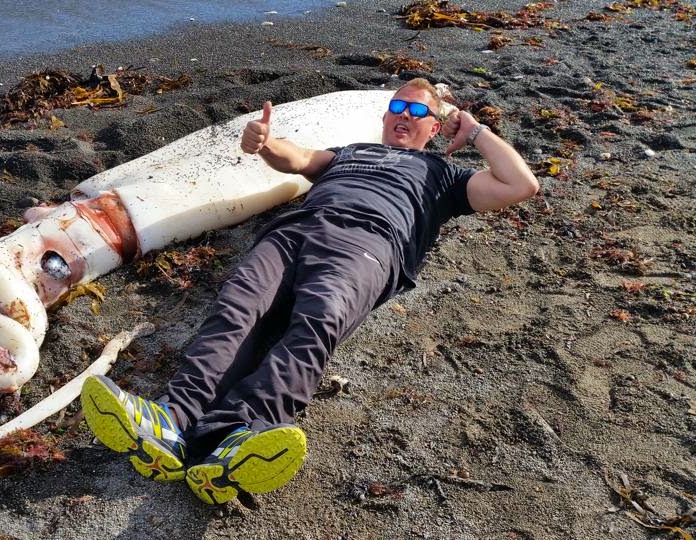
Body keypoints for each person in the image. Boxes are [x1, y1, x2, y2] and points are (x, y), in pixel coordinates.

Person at [80, 78, 539, 505]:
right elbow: (297, 160)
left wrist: (476, 130)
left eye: (417, 110)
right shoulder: (351, 152)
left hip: (368, 243)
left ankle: (243, 433)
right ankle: (173, 420)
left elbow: (521, 184)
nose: (403, 113)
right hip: (294, 231)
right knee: (237, 306)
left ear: (435, 126)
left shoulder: (443, 175)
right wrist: (264, 143)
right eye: (396, 105)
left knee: (316, 321)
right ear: (384, 116)